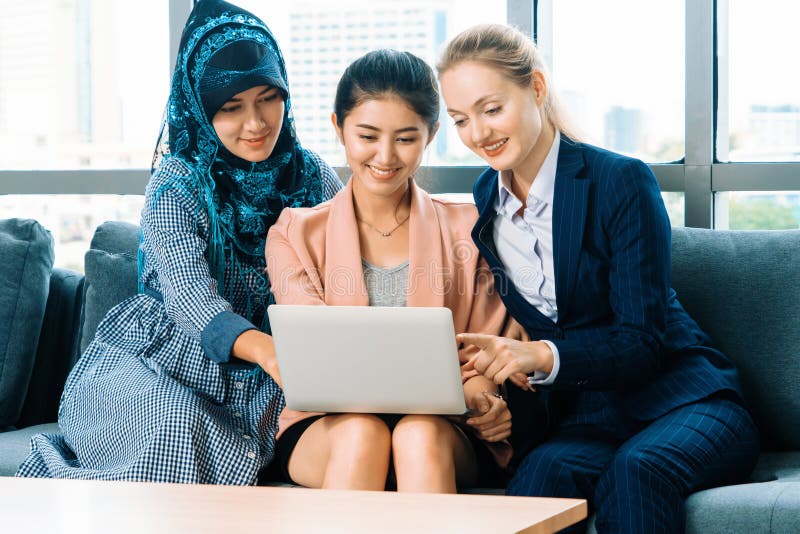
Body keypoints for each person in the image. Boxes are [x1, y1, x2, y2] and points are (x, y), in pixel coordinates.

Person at [437, 24, 760, 532]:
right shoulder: (487, 198)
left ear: (536, 90)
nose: (478, 134)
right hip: (588, 419)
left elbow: (643, 340)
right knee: (538, 478)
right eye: (460, 119)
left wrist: (543, 355)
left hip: (683, 399)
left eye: (491, 109)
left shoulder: (619, 180)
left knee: (638, 471)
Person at [16, 0, 341, 484]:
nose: (255, 123)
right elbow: (189, 294)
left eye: (268, 97)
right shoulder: (177, 183)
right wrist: (271, 353)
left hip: (276, 371)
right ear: (198, 106)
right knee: (173, 428)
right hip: (165, 360)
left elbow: (354, 265)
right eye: (231, 107)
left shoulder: (312, 174)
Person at [265, 49, 517, 493]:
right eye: (367, 135)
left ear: (431, 134)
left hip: (444, 426)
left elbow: (483, 352)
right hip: (330, 426)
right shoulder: (295, 233)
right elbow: (315, 361)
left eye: (405, 138)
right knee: (362, 430)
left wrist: (486, 400)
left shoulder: (470, 228)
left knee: (417, 432)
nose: (385, 156)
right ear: (338, 127)